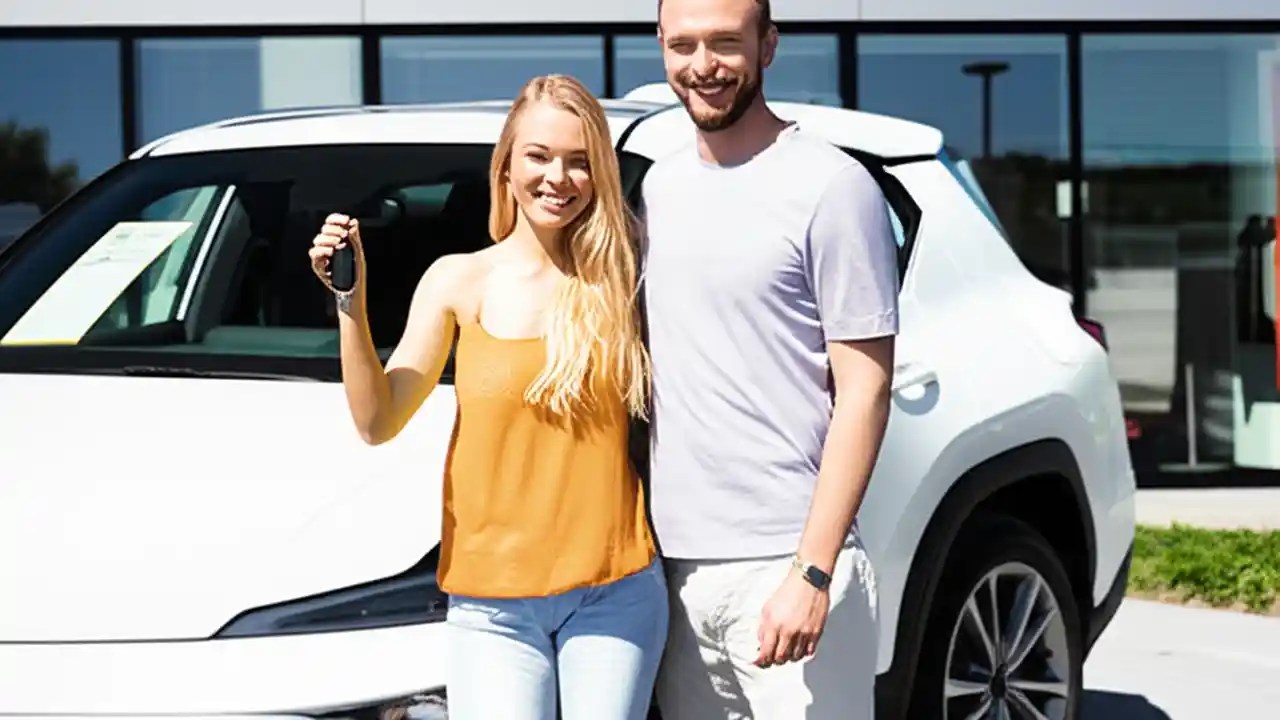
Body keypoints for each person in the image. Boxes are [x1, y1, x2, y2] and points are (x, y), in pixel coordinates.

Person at [308, 74, 668, 720]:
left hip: (616, 593)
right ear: (506, 164)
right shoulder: (459, 280)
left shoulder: (625, 275)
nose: (558, 177)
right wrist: (350, 306)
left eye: (580, 161)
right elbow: (376, 419)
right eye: (539, 156)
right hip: (493, 605)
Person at [639, 0, 900, 717]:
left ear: (769, 44)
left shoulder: (831, 186)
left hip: (789, 565)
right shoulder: (657, 188)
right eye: (684, 45)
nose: (704, 66)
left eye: (726, 43)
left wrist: (813, 573)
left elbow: (865, 390)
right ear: (661, 46)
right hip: (675, 573)